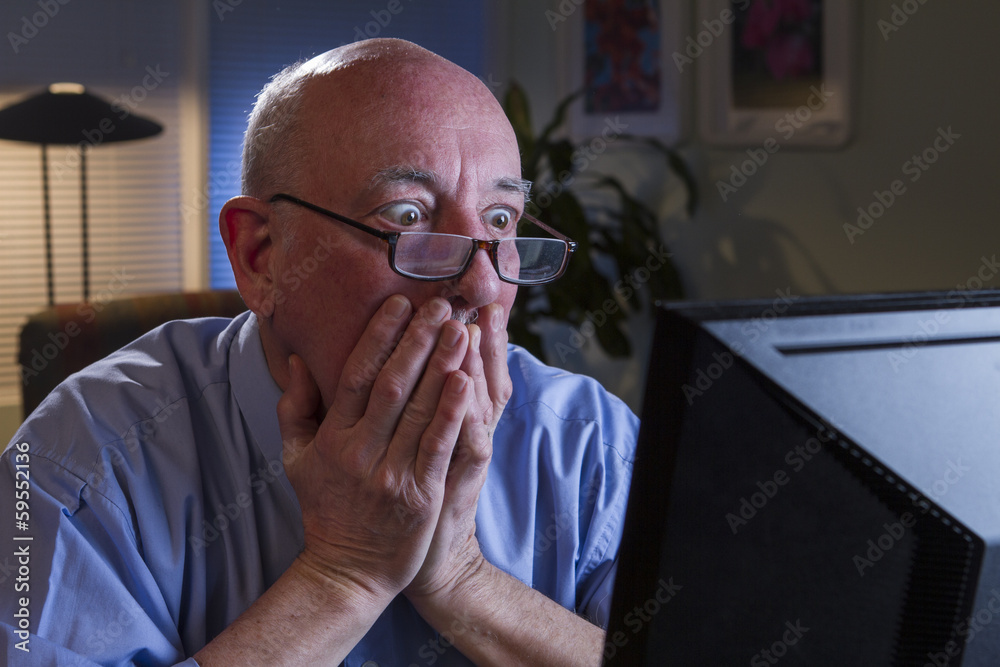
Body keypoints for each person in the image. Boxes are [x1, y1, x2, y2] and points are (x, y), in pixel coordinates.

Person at [0, 38, 638, 665]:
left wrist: (464, 579)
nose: (481, 283)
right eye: (408, 217)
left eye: (500, 221)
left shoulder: (592, 446)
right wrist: (345, 571)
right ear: (261, 257)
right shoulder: (72, 466)